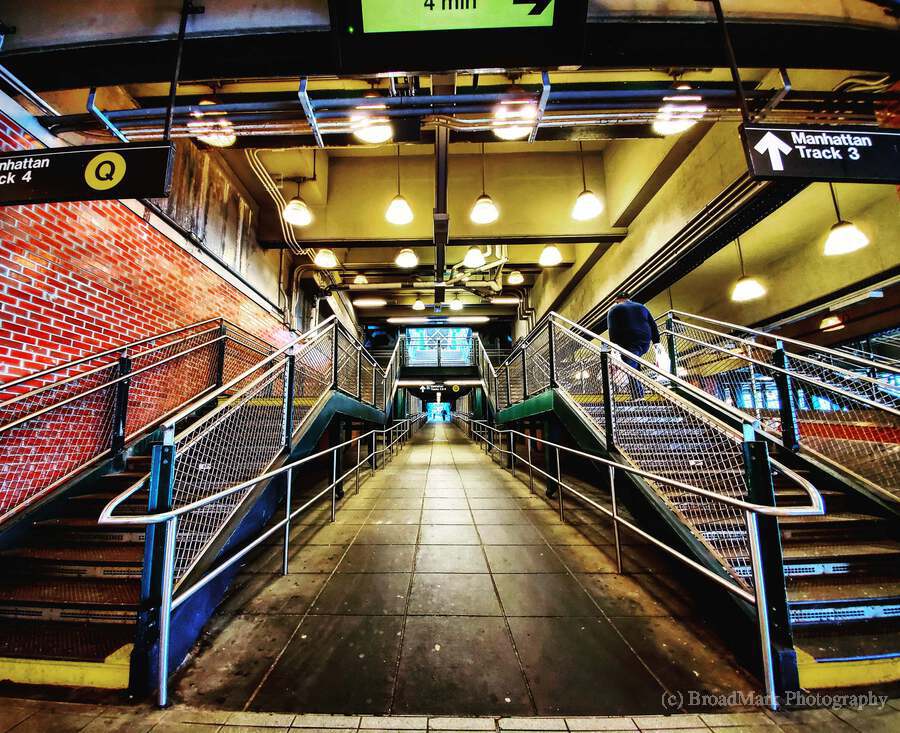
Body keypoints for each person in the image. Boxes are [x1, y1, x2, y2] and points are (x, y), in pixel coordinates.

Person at [607, 291, 660, 396]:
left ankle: (638, 396)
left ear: (616, 300)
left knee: (630, 366)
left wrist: (614, 346)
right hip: (645, 341)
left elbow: (612, 329)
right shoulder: (642, 307)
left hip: (628, 340)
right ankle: (639, 392)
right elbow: (653, 325)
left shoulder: (614, 309)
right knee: (634, 362)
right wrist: (656, 342)